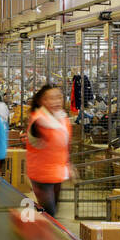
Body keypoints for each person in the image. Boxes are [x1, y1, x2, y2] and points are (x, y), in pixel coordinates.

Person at [25, 84, 70, 217]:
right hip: (41, 175)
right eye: (51, 98)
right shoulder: (39, 121)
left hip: (58, 173)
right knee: (50, 215)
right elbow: (57, 141)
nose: (56, 101)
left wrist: (68, 165)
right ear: (42, 101)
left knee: (51, 213)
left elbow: (64, 146)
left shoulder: (62, 118)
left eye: (59, 97)